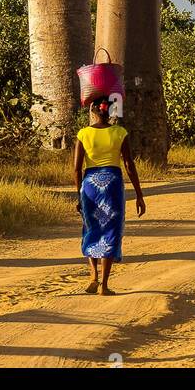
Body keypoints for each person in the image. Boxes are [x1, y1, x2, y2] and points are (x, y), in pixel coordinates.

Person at [74, 97, 145, 295]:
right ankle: (104, 285)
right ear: (111, 111)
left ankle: (93, 276)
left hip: (90, 185)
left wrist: (79, 195)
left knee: (91, 227)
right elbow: (129, 165)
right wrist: (139, 194)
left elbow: (76, 169)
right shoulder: (120, 132)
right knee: (111, 230)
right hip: (113, 184)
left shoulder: (83, 134)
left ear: (93, 111)